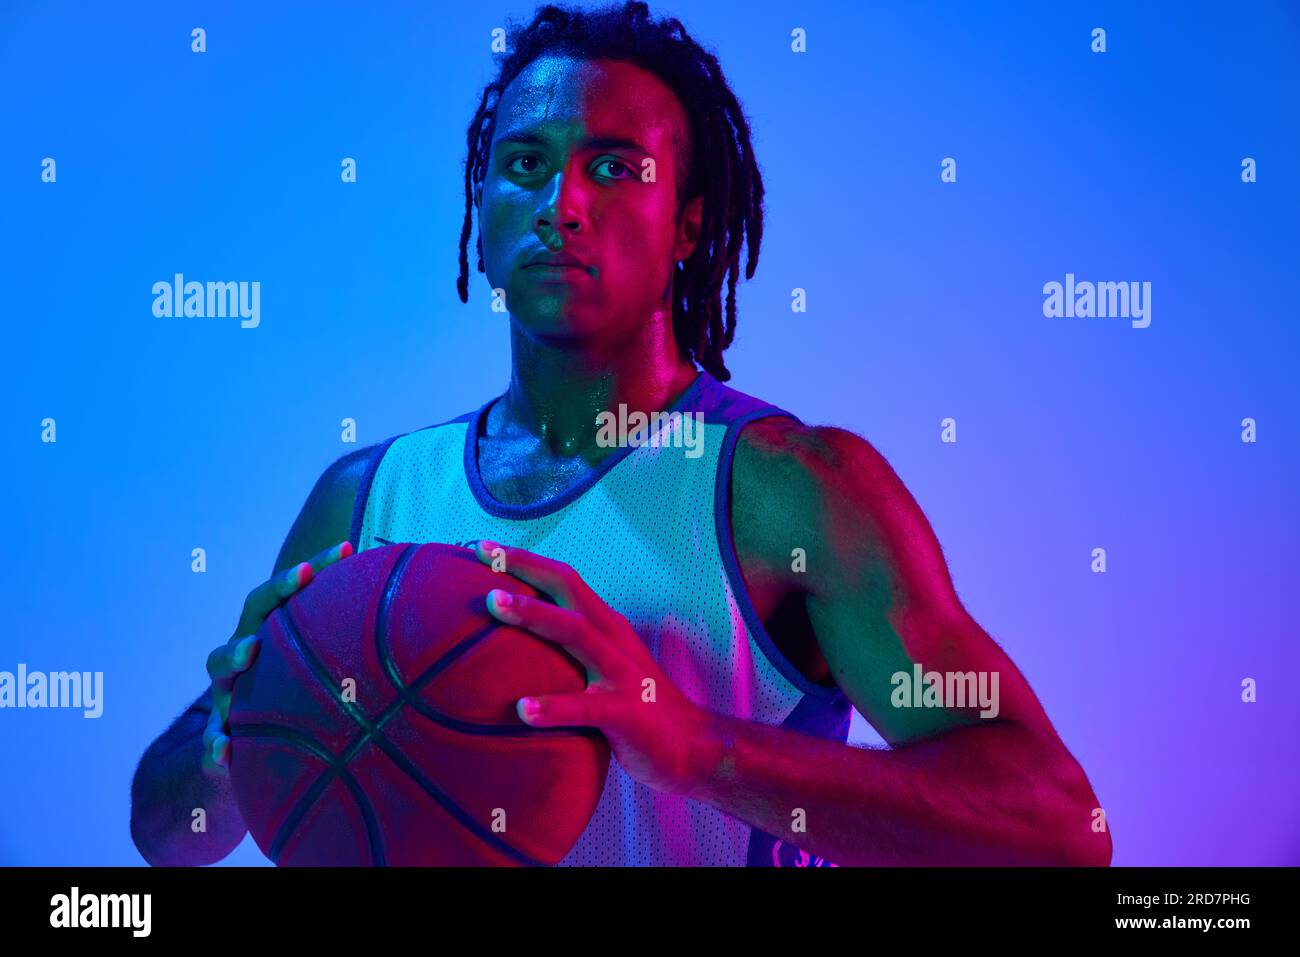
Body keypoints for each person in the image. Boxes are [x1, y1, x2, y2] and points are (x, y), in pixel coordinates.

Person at [130, 1, 1111, 867]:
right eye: (524, 165)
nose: (560, 205)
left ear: (687, 227)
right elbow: (174, 840)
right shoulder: (369, 496)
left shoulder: (785, 491)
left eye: (612, 167)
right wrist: (239, 732)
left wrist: (693, 745)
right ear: (481, 217)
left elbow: (1059, 829)